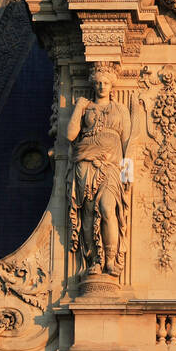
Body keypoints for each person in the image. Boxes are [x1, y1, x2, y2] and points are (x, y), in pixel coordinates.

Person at [66, 63, 131, 276]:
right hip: (85, 164)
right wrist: (78, 108)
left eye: (106, 83)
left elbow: (128, 143)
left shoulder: (120, 110)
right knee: (87, 216)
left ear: (112, 85)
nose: (102, 86)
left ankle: (110, 260)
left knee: (106, 209)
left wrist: (127, 174)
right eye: (98, 83)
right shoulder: (86, 108)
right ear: (94, 85)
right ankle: (94, 260)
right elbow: (70, 135)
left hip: (111, 165)